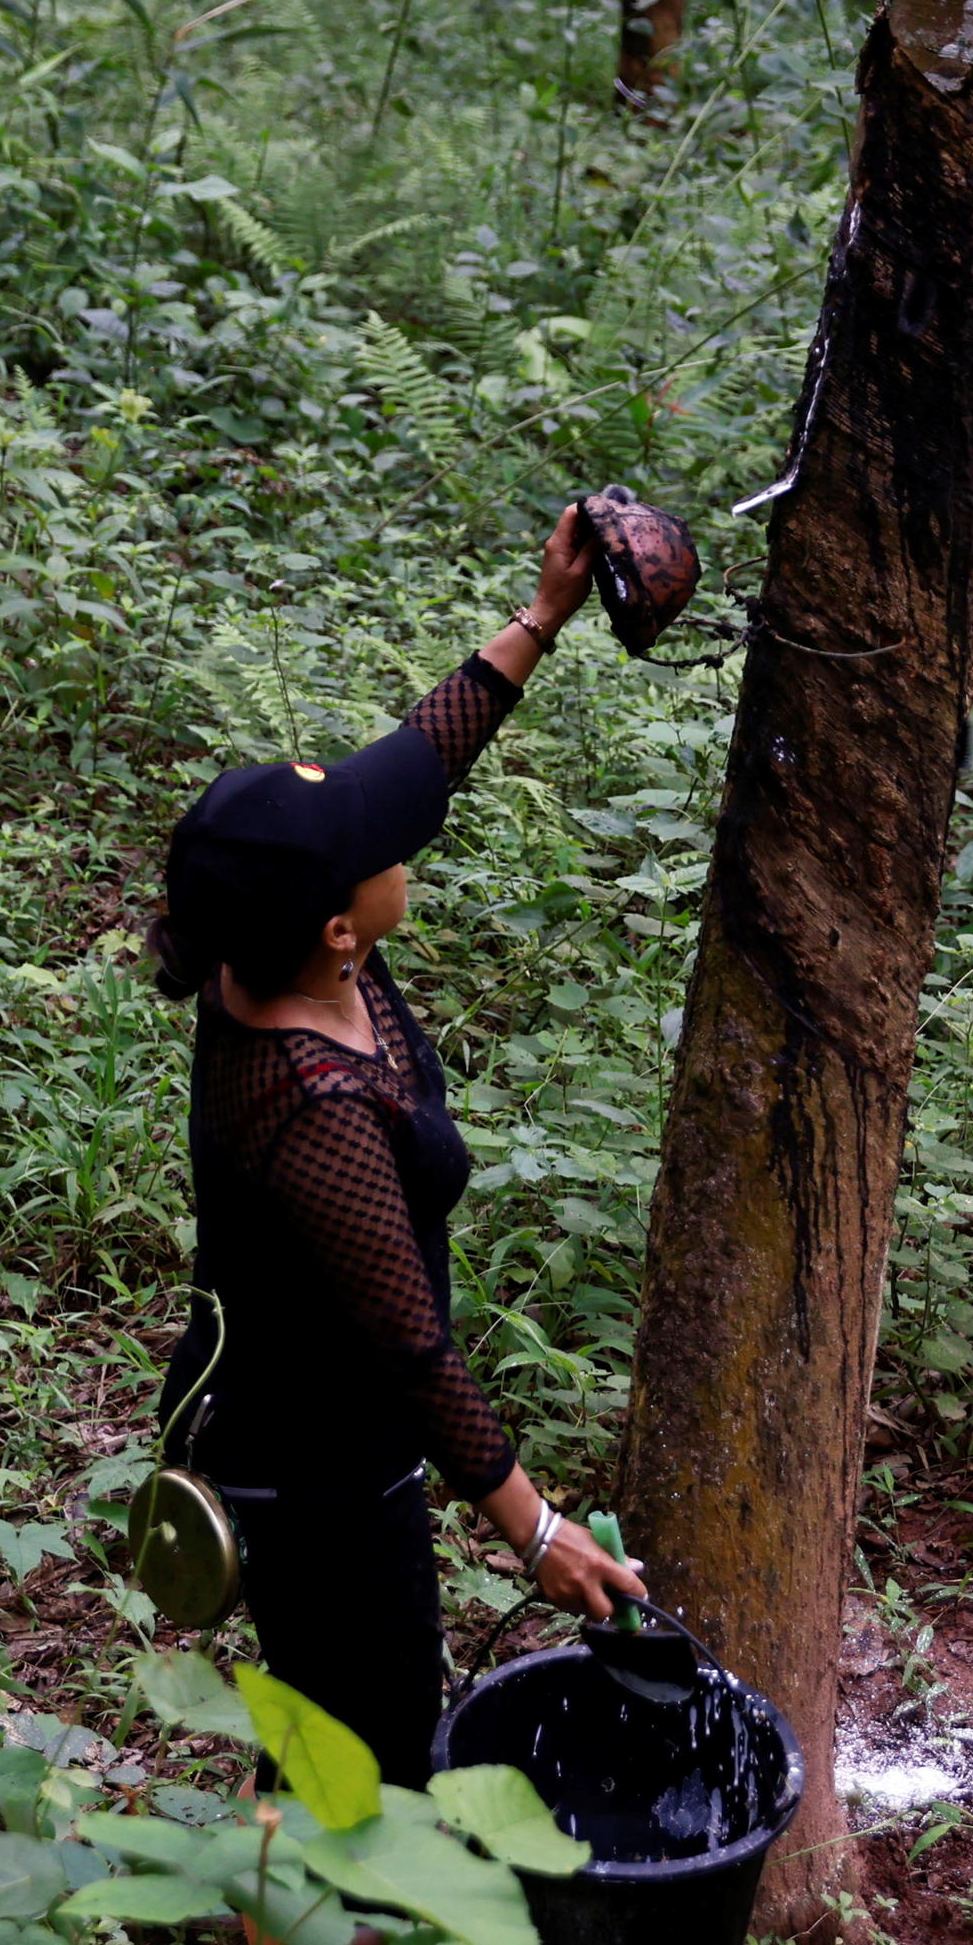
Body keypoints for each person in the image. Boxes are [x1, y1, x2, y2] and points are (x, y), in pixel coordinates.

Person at [148, 503, 655, 1805]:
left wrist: (542, 617)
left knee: (338, 1730)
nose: (404, 830)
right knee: (359, 1761)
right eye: (382, 845)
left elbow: (418, 759)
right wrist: (536, 1529)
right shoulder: (309, 1110)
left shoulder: (275, 952)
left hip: (331, 1426)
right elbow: (410, 1346)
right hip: (314, 1475)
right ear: (336, 923)